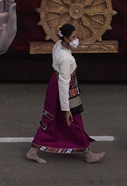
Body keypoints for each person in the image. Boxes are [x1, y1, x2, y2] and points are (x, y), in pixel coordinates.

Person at [26, 23, 105, 164]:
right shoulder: (66, 59)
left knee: (49, 119)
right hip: (65, 90)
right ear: (67, 38)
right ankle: (88, 154)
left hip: (54, 85)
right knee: (74, 120)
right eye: (73, 37)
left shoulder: (58, 45)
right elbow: (63, 84)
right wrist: (66, 109)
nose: (76, 39)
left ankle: (33, 150)